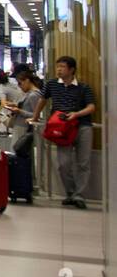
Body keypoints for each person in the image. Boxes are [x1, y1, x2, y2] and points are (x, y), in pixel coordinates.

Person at [34, 55, 96, 208]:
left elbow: (91, 107)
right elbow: (42, 100)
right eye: (58, 67)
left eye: (62, 67)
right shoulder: (51, 84)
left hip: (83, 126)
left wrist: (77, 114)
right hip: (62, 128)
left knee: (83, 162)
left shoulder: (84, 87)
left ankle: (79, 195)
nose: (59, 70)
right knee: (63, 163)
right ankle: (70, 192)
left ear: (72, 69)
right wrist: (34, 117)